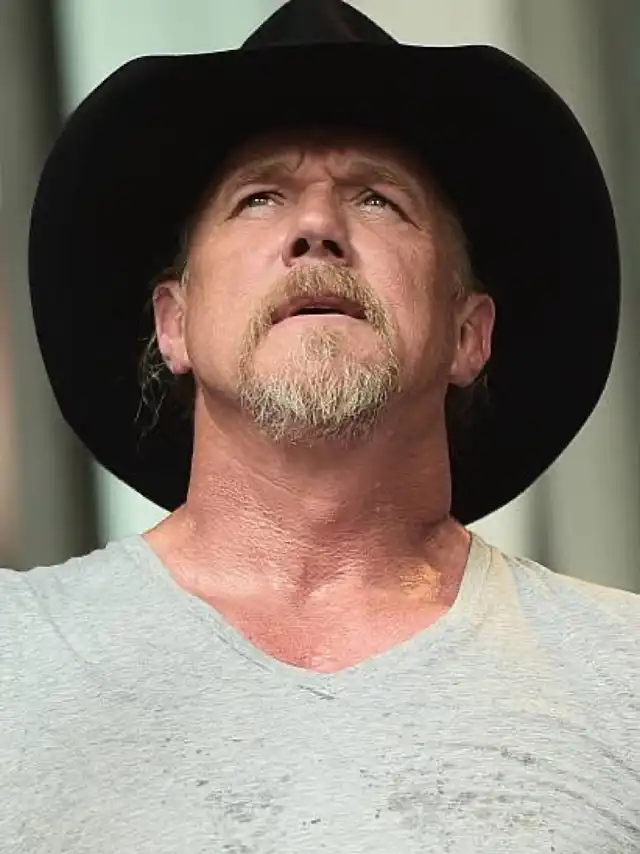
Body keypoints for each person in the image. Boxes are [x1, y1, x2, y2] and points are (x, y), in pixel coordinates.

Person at [2, 1, 638, 851]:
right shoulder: (16, 656)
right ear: (173, 324)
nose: (316, 229)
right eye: (259, 198)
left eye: (378, 200)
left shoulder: (622, 674)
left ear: (468, 334)